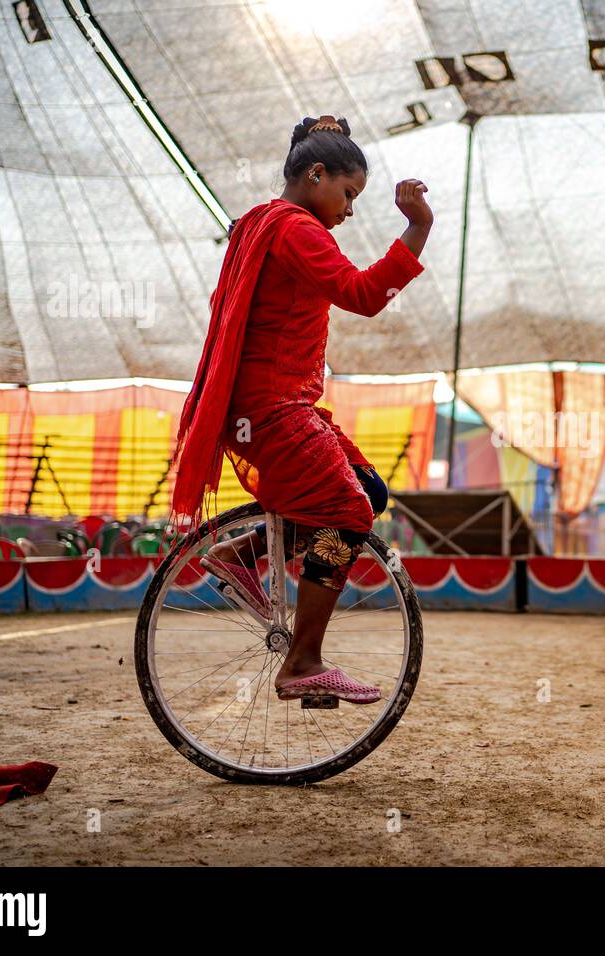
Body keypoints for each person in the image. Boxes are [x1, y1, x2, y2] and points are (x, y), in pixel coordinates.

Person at [168, 114, 433, 703]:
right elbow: (364, 296)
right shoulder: (295, 229)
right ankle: (303, 661)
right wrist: (417, 229)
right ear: (316, 174)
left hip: (270, 403)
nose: (350, 209)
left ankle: (241, 554)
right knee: (346, 513)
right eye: (348, 193)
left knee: (369, 490)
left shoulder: (262, 224)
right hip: (271, 407)